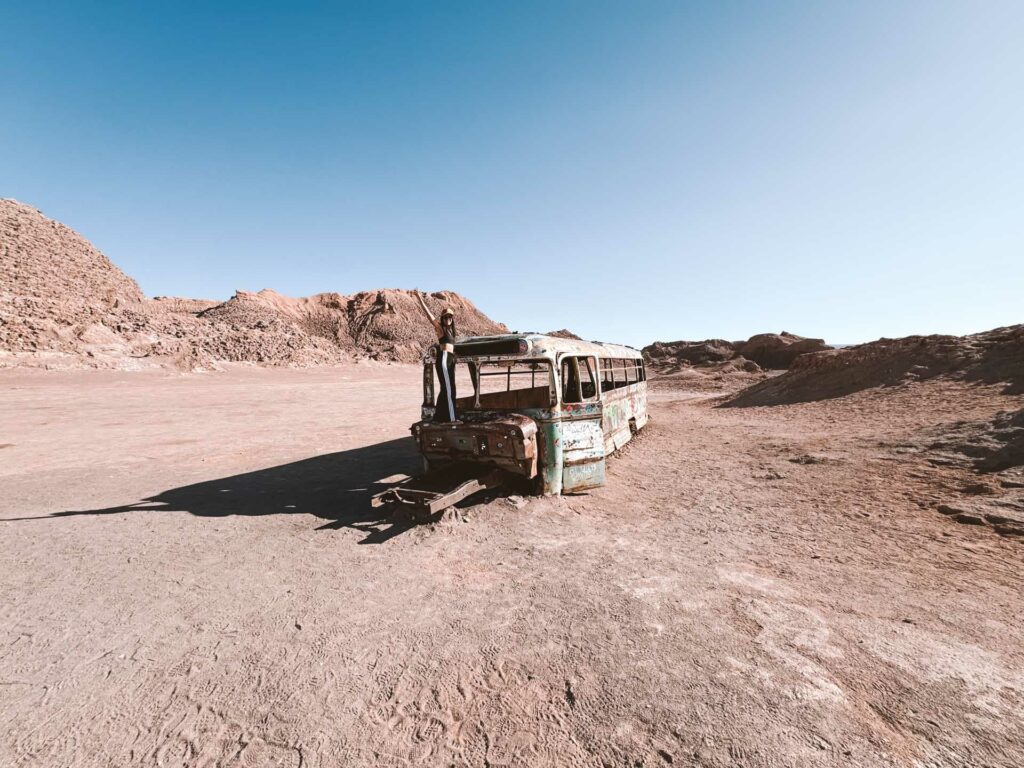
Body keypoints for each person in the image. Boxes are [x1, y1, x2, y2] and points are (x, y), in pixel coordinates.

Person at [415, 290, 458, 422]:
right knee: (448, 390)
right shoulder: (440, 329)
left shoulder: (452, 332)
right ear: (442, 319)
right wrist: (419, 298)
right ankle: (452, 419)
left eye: (450, 317)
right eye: (445, 317)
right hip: (444, 358)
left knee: (449, 389)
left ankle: (439, 417)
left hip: (450, 359)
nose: (448, 319)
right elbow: (430, 317)